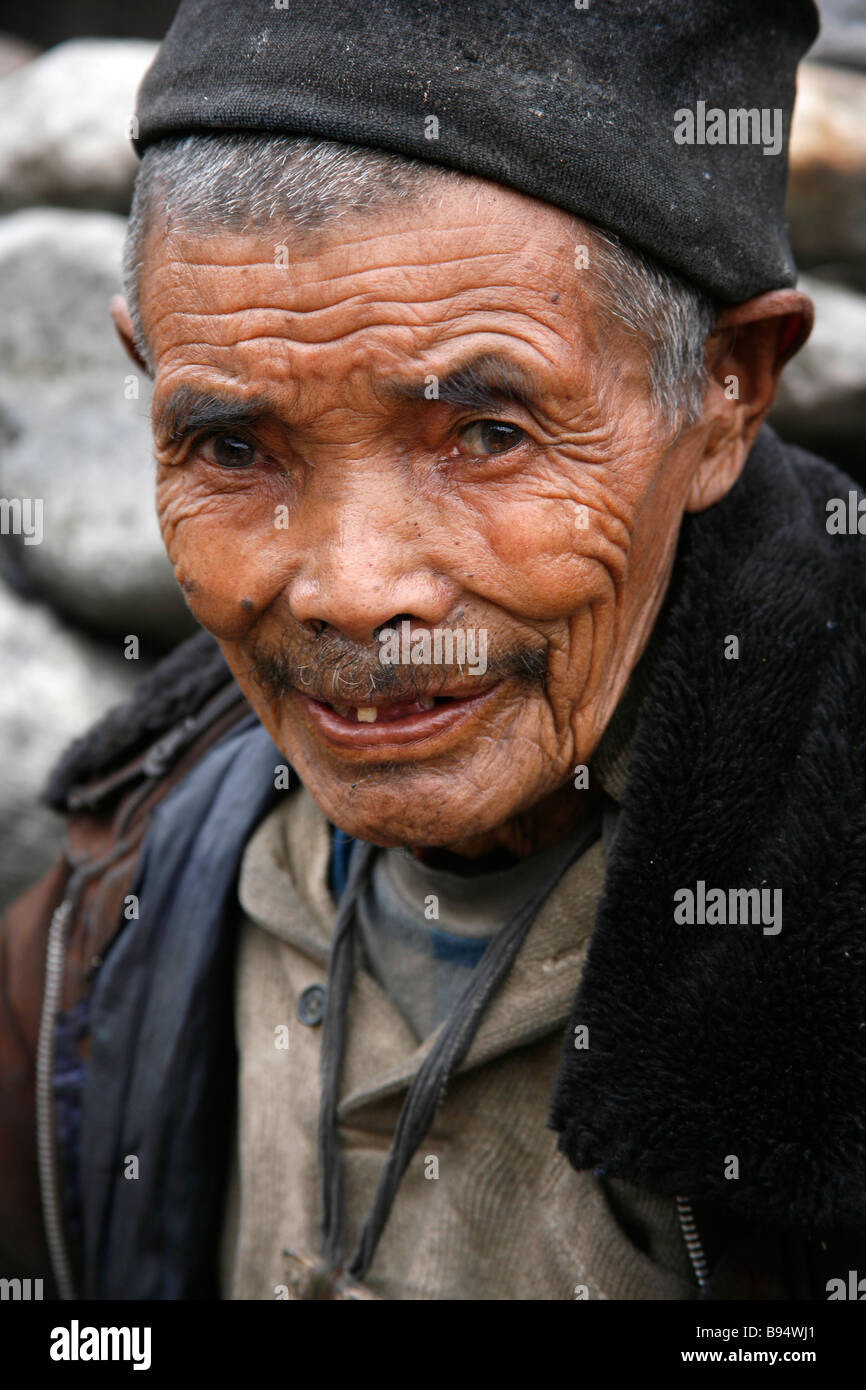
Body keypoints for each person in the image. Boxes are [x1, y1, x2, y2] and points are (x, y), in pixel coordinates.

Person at [1, 0, 864, 1301]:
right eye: (234, 447)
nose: (352, 591)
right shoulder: (109, 897)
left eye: (485, 435)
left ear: (724, 386)